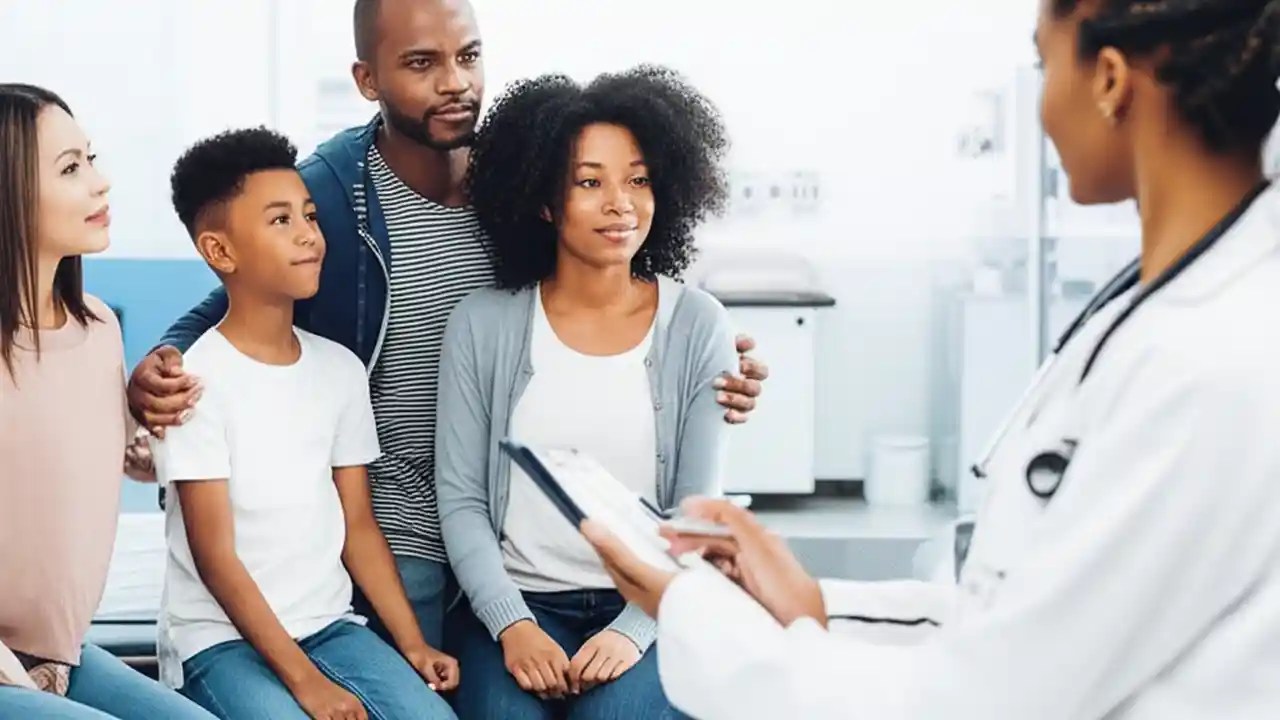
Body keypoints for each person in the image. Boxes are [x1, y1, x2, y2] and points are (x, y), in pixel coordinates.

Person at [583, 1, 1280, 718]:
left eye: (1044, 65)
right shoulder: (1169, 304)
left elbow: (989, 699)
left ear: (1108, 80)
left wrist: (691, 610)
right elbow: (1025, 628)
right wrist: (814, 603)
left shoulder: (1211, 362)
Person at [125, 0, 769, 652]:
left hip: (510, 530)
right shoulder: (330, 192)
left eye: (468, 56)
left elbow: (601, 301)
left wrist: (703, 369)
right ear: (368, 81)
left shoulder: (522, 178)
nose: (455, 82)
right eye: (421, 64)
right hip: (397, 526)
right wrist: (162, 362)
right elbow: (229, 298)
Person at [435, 66, 732, 720]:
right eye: (589, 182)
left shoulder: (697, 323)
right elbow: (459, 499)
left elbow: (696, 513)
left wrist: (635, 629)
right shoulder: (483, 323)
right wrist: (511, 623)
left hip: (650, 603)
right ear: (544, 200)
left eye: (638, 179)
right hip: (519, 604)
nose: (620, 203)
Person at [150, 127, 458, 720]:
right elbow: (215, 557)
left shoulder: (340, 370)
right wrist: (306, 683)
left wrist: (412, 644)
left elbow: (359, 528)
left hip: (328, 628)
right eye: (280, 220)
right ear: (220, 252)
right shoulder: (196, 381)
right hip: (218, 641)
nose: (309, 236)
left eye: (309, 216)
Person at [0, 83, 215, 719]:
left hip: (58, 654)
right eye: (71, 168)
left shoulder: (98, 328)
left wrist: (160, 432)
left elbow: (101, 457)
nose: (102, 183)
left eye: (90, 159)